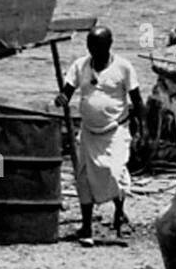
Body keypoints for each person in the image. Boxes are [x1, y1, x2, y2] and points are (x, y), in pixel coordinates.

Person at [56, 26, 144, 241]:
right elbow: (67, 91)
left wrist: (141, 127)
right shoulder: (81, 65)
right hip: (88, 132)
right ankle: (86, 227)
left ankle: (118, 212)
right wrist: (62, 98)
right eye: (90, 45)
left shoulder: (123, 67)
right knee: (84, 178)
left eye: (97, 46)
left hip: (115, 129)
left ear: (108, 46)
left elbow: (137, 100)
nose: (92, 50)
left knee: (114, 172)